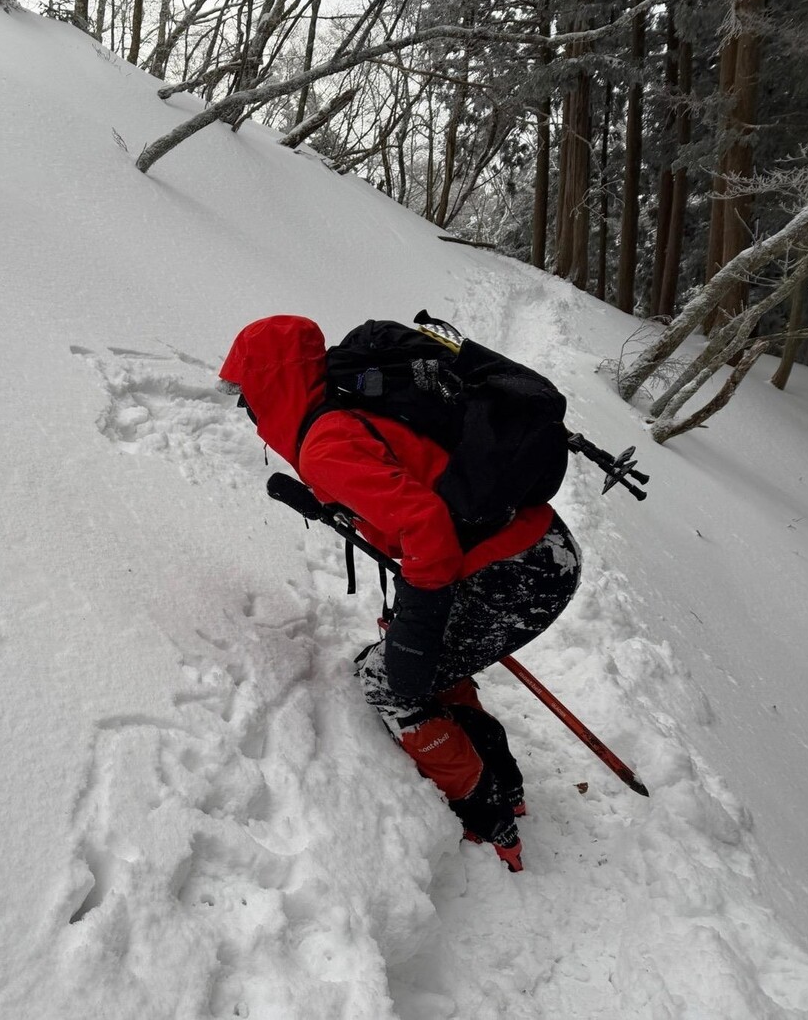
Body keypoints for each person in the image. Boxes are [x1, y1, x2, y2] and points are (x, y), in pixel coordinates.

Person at [218, 314, 582, 870]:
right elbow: (409, 476)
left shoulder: (324, 444)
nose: (248, 409)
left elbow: (428, 532)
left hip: (517, 572)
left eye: (248, 393)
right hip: (535, 545)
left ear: (272, 383)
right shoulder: (342, 407)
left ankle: (488, 819)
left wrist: (417, 628)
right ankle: (505, 787)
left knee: (391, 682)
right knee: (421, 656)